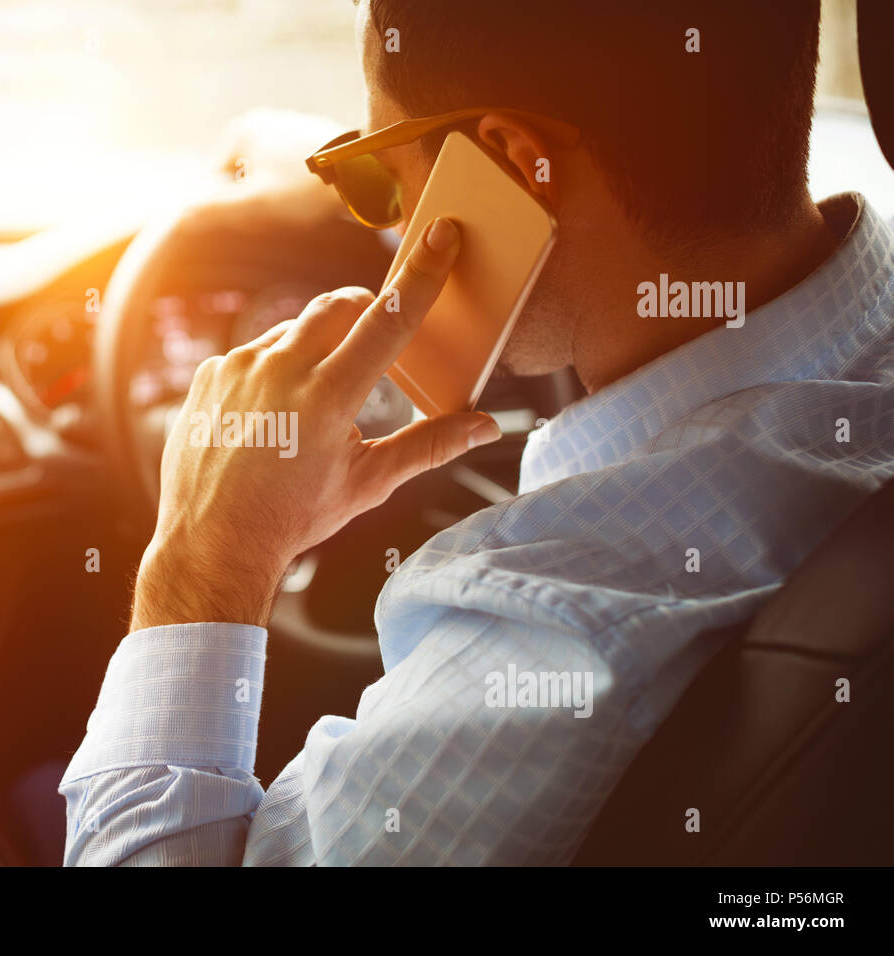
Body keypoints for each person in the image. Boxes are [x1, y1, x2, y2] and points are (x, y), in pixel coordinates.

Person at [59, 0, 894, 864]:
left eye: (382, 179)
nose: (388, 227)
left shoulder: (558, 624)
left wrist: (203, 563)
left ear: (513, 164)